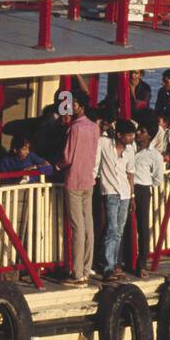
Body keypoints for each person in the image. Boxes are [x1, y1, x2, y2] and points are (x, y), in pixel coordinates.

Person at [59, 91, 98, 284]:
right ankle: (87, 266)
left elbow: (67, 156)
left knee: (78, 228)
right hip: (88, 179)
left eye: (73, 105)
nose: (70, 108)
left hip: (74, 179)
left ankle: (77, 273)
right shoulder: (94, 127)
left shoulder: (75, 128)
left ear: (80, 106)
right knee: (88, 224)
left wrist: (57, 165)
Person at [95, 119, 137, 281]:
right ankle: (108, 266)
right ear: (119, 135)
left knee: (118, 231)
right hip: (110, 191)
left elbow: (130, 173)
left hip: (125, 193)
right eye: (128, 135)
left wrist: (132, 196)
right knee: (112, 229)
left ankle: (113, 264)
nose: (131, 138)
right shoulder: (104, 144)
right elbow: (96, 163)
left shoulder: (130, 150)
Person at [131, 123, 165, 277]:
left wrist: (145, 182)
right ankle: (124, 260)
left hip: (142, 189)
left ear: (149, 135)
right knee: (122, 226)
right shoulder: (129, 147)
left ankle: (142, 263)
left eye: (142, 131)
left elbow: (158, 179)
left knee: (143, 227)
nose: (138, 133)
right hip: (126, 188)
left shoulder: (155, 155)